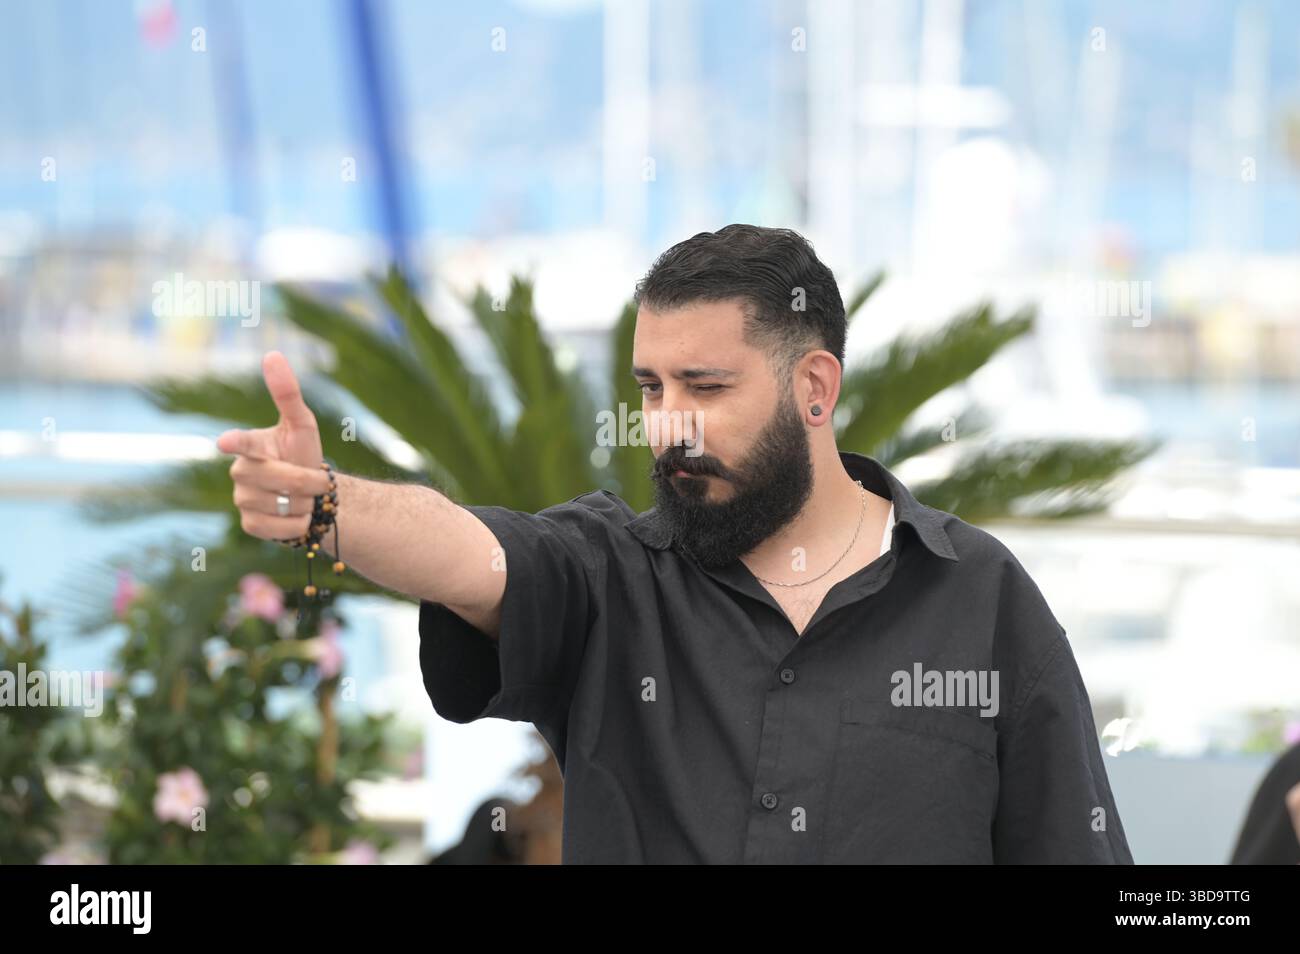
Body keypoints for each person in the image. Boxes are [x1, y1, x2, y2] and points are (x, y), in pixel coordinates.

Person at [219, 223, 1133, 864]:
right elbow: (467, 556)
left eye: (703, 385)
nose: (668, 428)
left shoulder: (980, 601)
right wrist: (327, 507)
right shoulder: (609, 578)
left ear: (815, 387)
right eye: (651, 389)